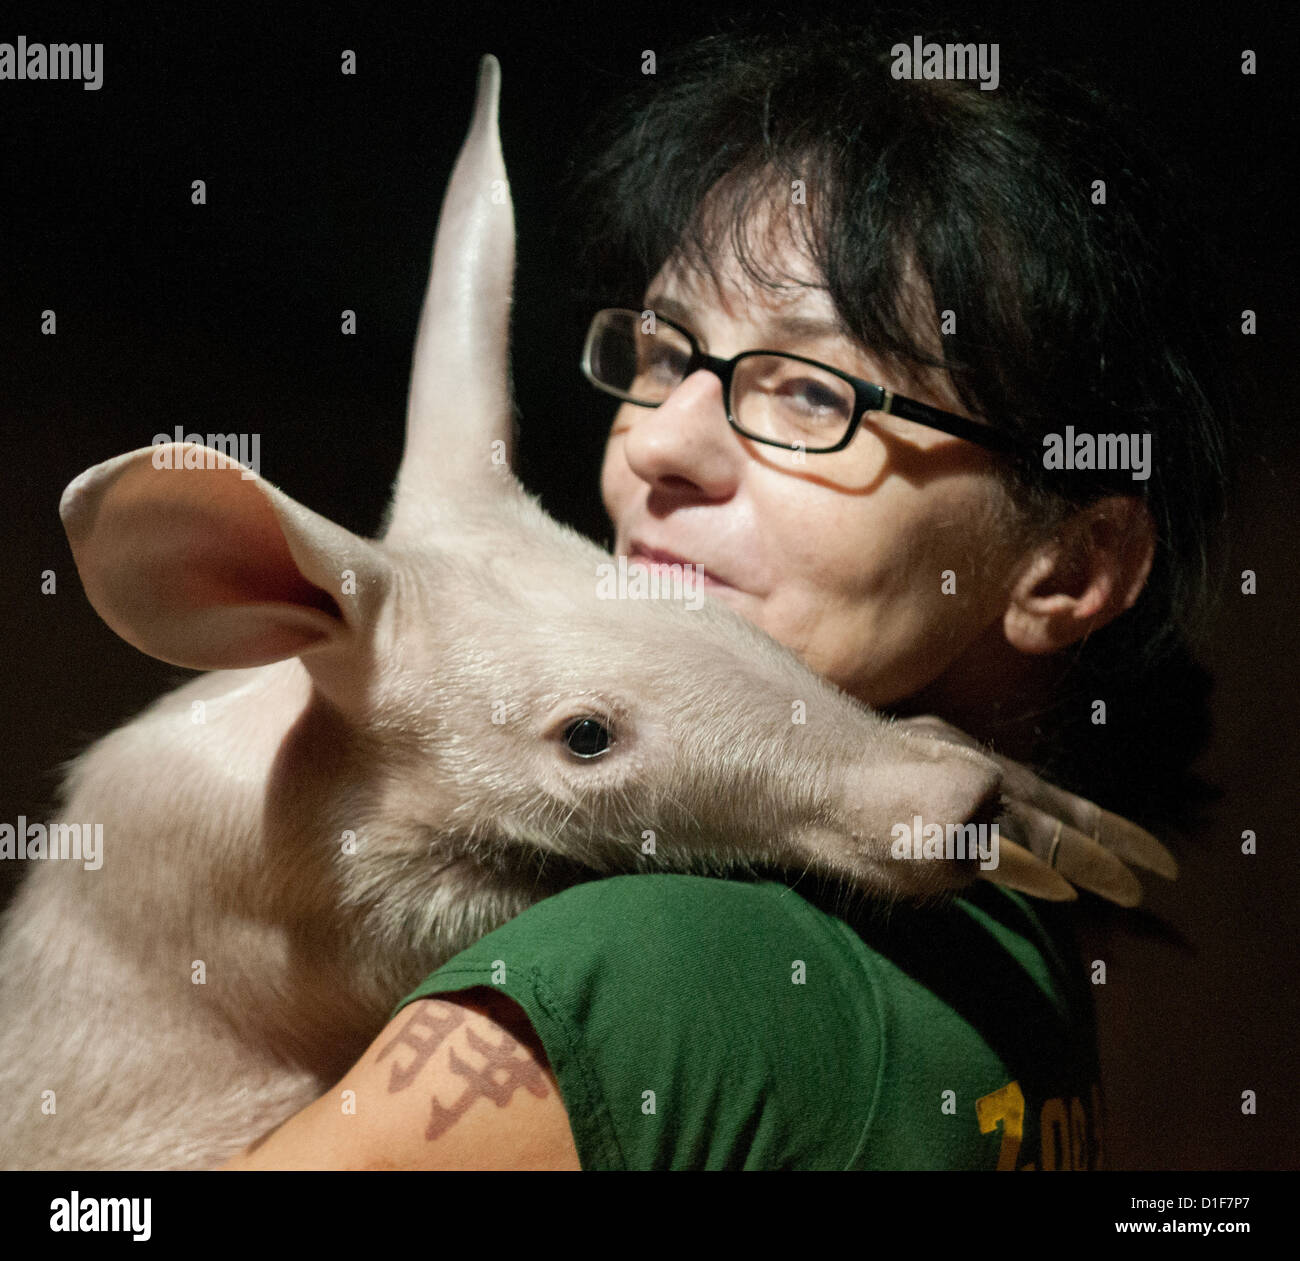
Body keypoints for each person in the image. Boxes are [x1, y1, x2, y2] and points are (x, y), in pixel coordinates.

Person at [222, 17, 1229, 1171]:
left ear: (1071, 568)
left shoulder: (648, 969)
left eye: (811, 393)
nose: (660, 442)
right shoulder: (1003, 936)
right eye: (663, 354)